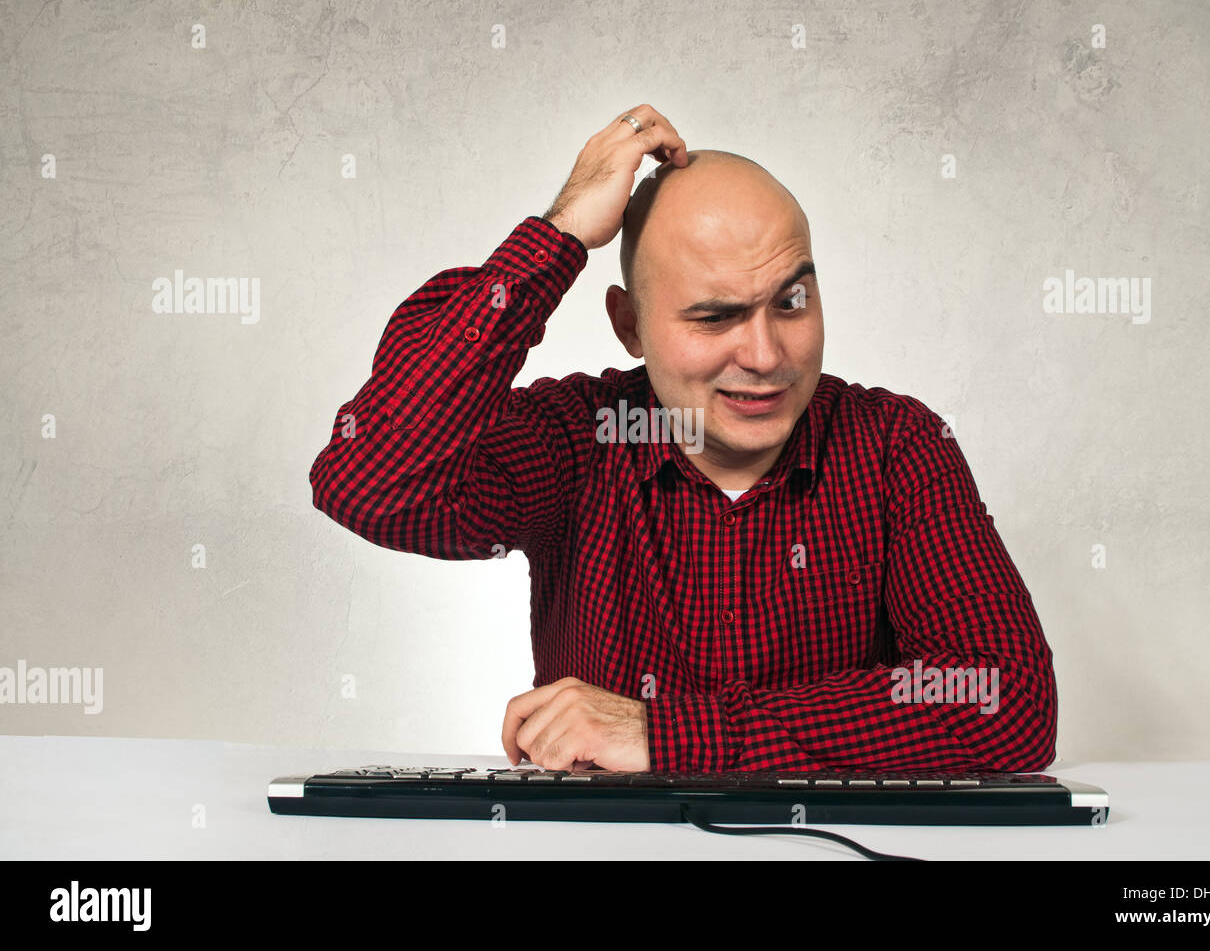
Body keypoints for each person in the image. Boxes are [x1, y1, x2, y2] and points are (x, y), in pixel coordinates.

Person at [309, 104, 1058, 774]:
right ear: (628, 324)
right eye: (714, 317)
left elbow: (1006, 698)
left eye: (791, 300)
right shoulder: (580, 440)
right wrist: (559, 234)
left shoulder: (896, 446)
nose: (767, 356)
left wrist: (663, 734)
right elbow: (371, 477)